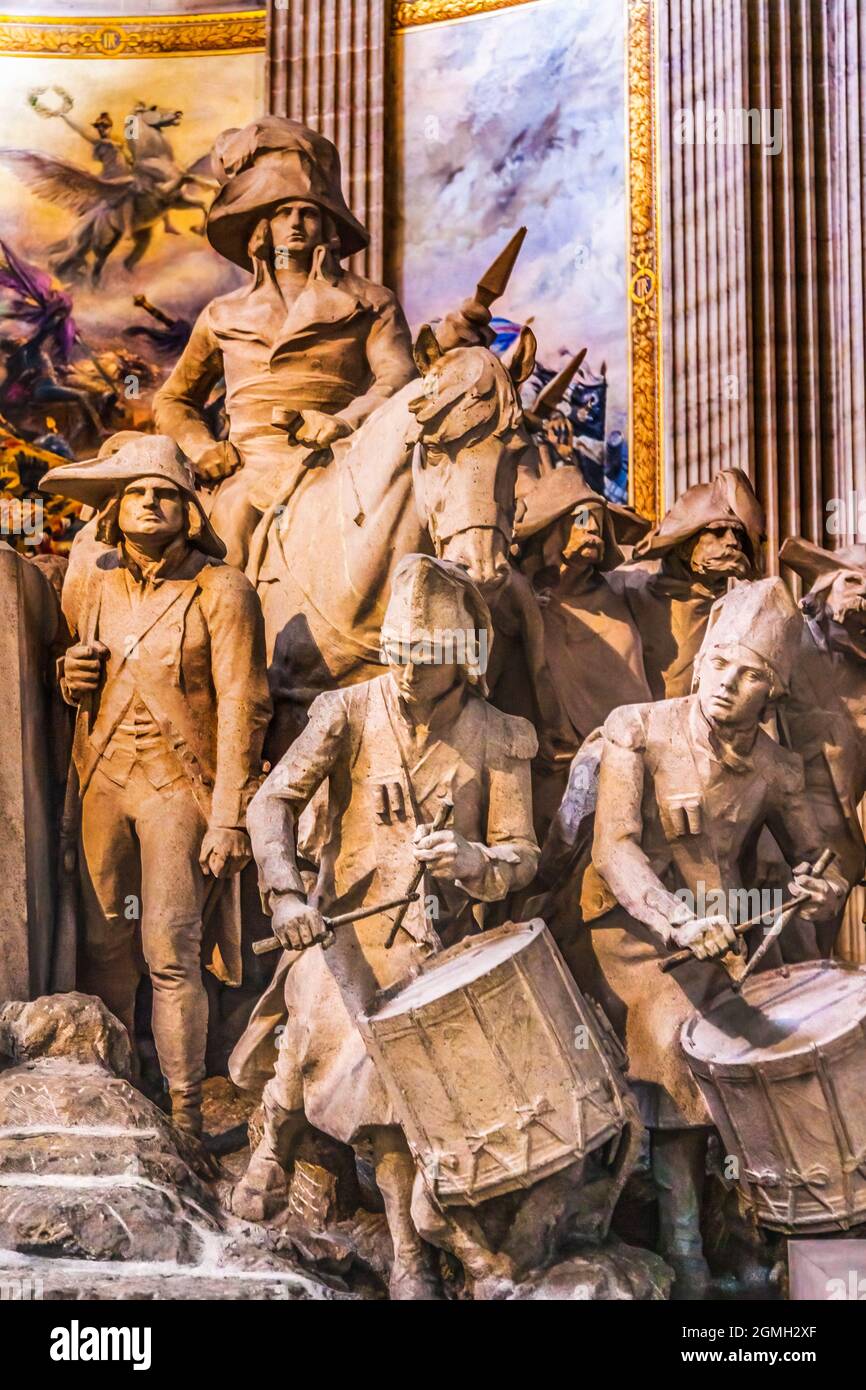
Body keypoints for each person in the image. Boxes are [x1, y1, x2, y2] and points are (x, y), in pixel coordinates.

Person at [229, 554, 539, 1297]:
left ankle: (410, 1237)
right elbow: (269, 804)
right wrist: (288, 897)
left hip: (446, 946)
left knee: (404, 1056)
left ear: (463, 660)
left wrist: (473, 860)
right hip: (343, 928)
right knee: (337, 1022)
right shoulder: (346, 711)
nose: (405, 672)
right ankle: (304, 1161)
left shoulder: (500, 736)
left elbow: (523, 854)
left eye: (425, 660)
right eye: (396, 652)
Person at [584, 578, 846, 1292]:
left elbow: (819, 866)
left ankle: (769, 1227)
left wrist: (822, 894)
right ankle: (684, 1246)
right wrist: (676, 919)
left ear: (774, 691)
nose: (728, 683)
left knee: (783, 1036)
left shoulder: (777, 768)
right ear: (701, 659)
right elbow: (615, 848)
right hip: (631, 930)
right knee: (679, 1032)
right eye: (721, 662)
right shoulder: (635, 726)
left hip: (723, 937)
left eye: (752, 674)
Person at [40, 435, 272, 1136]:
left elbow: (244, 701)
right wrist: (67, 674)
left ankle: (186, 1111)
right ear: (115, 508)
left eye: (165, 493)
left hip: (178, 789)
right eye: (137, 492)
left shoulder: (221, 590)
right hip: (104, 780)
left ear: (189, 511)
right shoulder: (95, 580)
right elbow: (69, 666)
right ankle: (116, 1089)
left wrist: (229, 815)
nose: (150, 503)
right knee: (107, 945)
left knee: (169, 949)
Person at [512, 468, 651, 837]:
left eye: (598, 522)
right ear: (553, 528)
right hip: (543, 765)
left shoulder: (617, 600)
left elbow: (631, 691)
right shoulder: (520, 598)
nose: (592, 529)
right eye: (581, 520)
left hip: (619, 762)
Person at [610, 468, 764, 697]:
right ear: (684, 545)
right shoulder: (627, 591)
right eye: (718, 532)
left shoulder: (742, 614)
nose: (733, 542)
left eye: (738, 534)